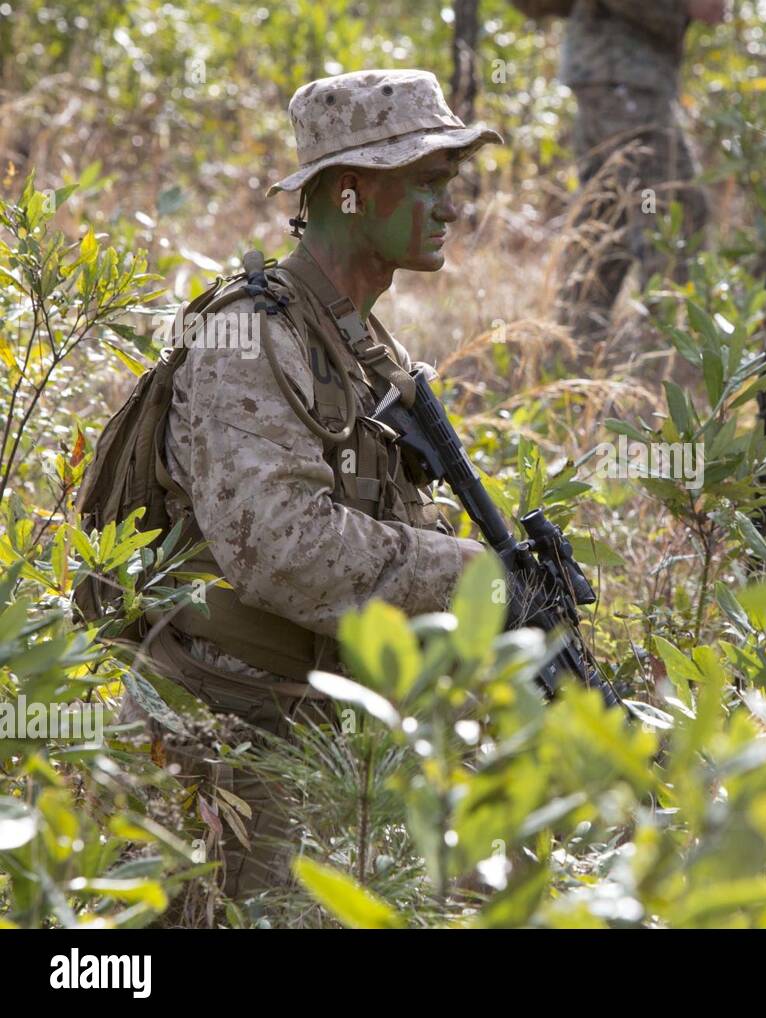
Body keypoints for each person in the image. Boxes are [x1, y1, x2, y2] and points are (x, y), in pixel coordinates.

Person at [114, 69, 500, 904]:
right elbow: (280, 548)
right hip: (219, 743)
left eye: (451, 186)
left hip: (313, 733)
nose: (451, 209)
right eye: (429, 184)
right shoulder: (250, 338)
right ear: (352, 195)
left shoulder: (355, 340)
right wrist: (463, 575)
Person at [556, 0, 727, 343]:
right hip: (626, 79)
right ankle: (667, 348)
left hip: (612, 75)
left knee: (609, 214)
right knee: (671, 209)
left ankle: (575, 344)